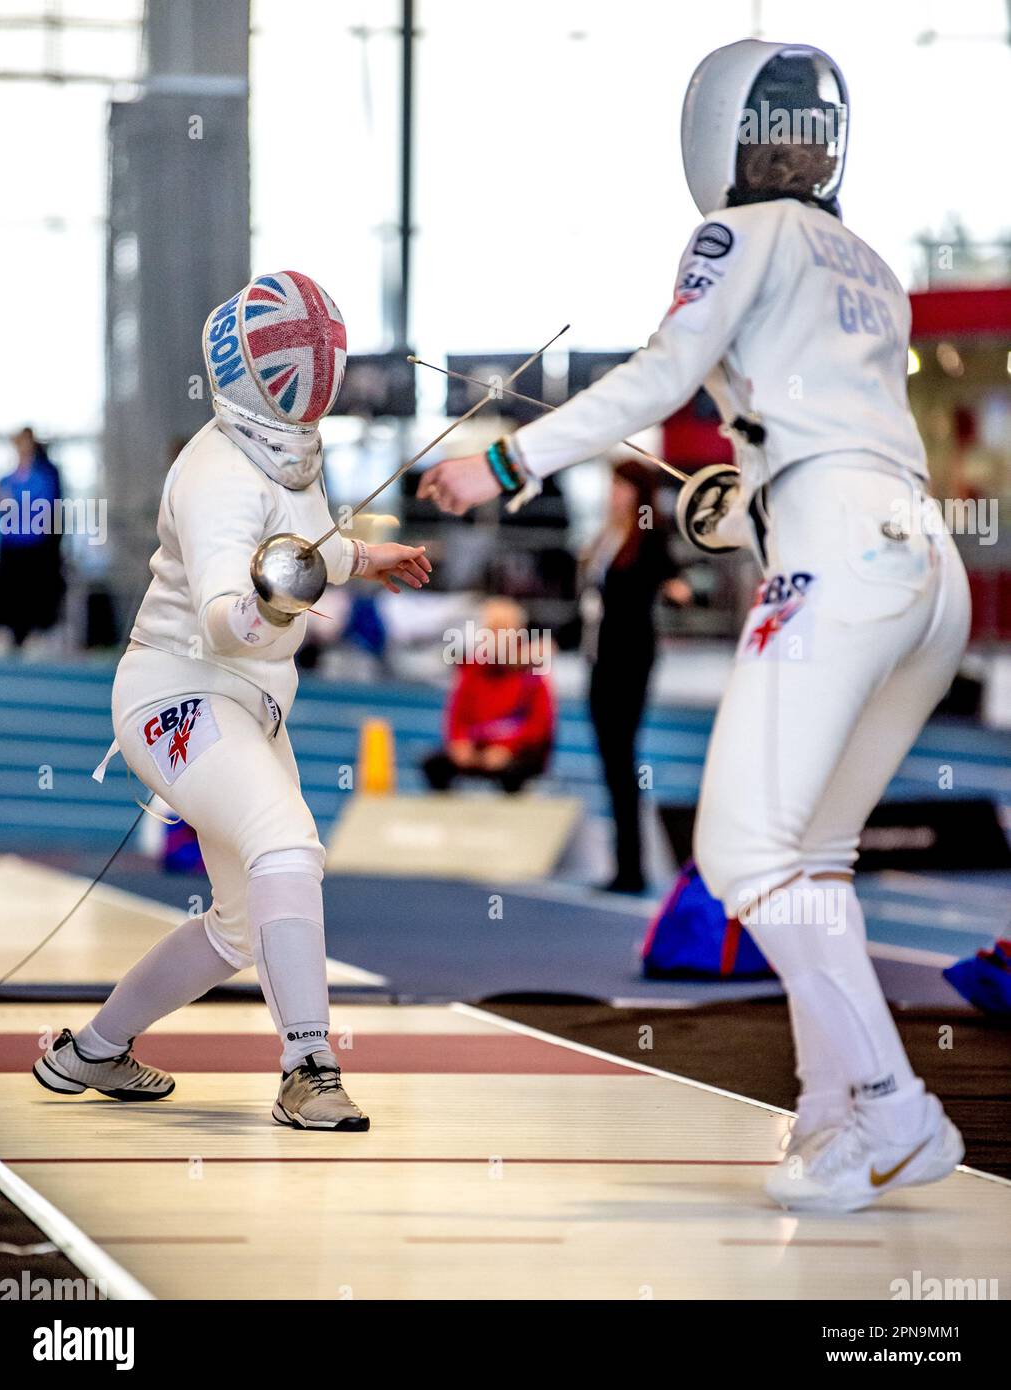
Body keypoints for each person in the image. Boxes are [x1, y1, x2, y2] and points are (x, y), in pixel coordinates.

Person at [416, 41, 970, 1212]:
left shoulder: (736, 233)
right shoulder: (868, 262)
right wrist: (751, 501)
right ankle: (833, 1120)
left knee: (738, 851)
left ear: (716, 135)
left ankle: (892, 1103)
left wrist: (505, 458)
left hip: (840, 551)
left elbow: (664, 371)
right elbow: (822, 423)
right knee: (809, 856)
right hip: (920, 564)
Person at [33, 271, 431, 1130]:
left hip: (243, 704)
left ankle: (91, 1052)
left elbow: (298, 546)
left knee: (244, 925)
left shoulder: (287, 452)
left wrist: (364, 559)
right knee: (287, 843)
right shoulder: (216, 473)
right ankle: (309, 1067)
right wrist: (267, 608)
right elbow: (225, 615)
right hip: (178, 693)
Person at [583, 458, 691, 893]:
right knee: (611, 763)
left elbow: (672, 579)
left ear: (639, 492)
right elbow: (594, 602)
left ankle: (632, 867)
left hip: (629, 661)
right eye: (612, 486)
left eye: (623, 487)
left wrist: (675, 589)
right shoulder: (609, 536)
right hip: (598, 658)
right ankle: (624, 863)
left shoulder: (649, 534)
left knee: (622, 761)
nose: (615, 494)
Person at [422, 596, 554, 793]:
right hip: (479, 748)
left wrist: (507, 747)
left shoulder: (533, 674)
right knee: (434, 765)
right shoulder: (472, 670)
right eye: (491, 629)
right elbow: (457, 716)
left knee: (514, 772)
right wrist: (459, 742)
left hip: (515, 753)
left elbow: (539, 727)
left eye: (502, 630)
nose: (496, 637)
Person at [0, 428, 65, 649]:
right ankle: (9, 631)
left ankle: (34, 634)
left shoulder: (43, 477)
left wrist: (14, 503)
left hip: (34, 546)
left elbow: (44, 508)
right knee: (8, 592)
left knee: (32, 592)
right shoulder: (6, 478)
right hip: (10, 545)